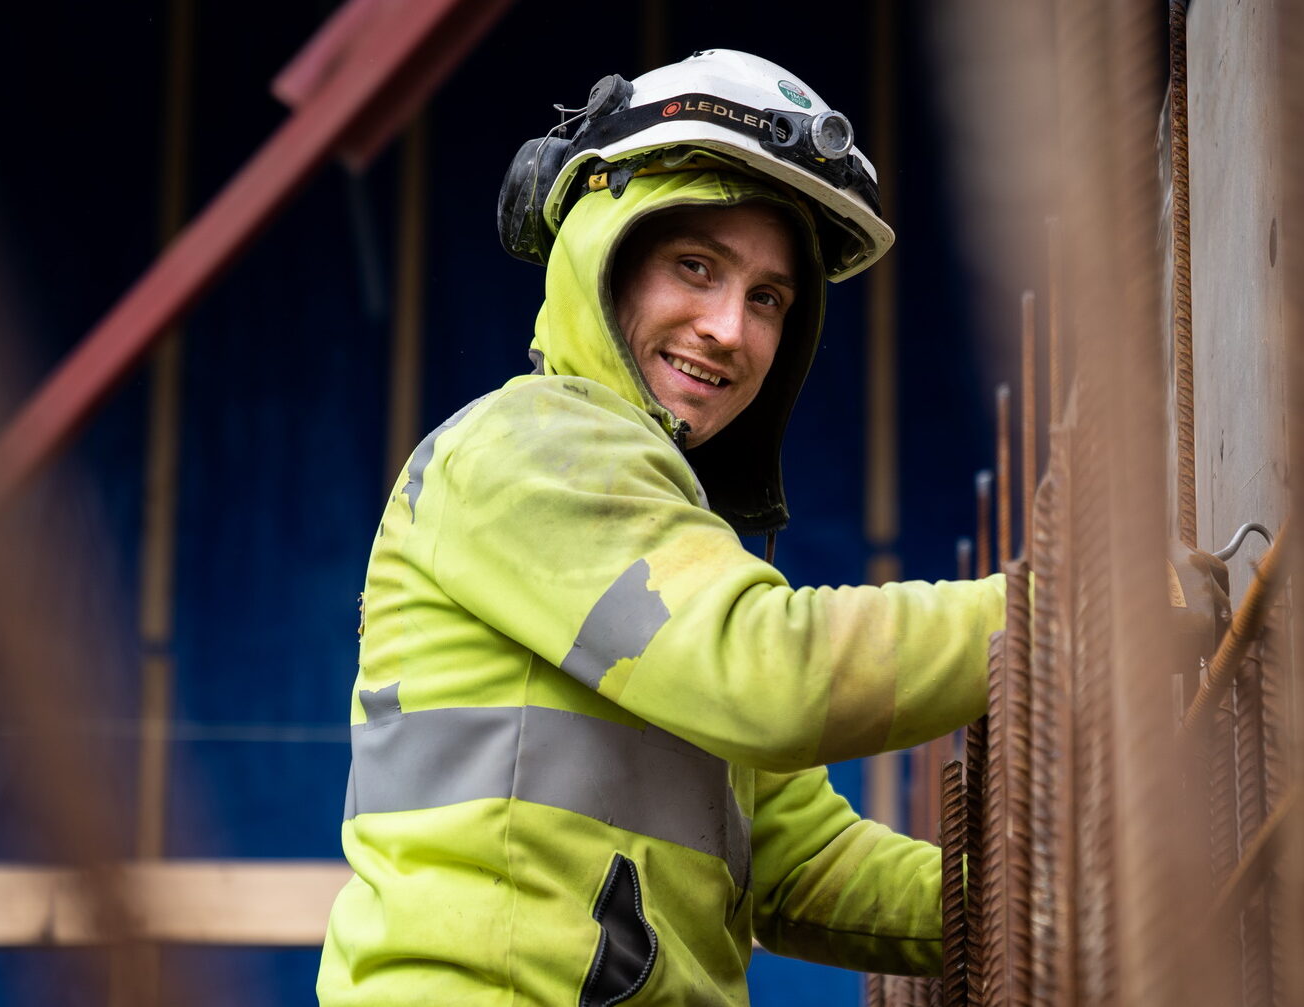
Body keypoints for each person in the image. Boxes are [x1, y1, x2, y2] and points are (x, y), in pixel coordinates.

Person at [317, 51, 1006, 1005]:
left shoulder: (666, 547)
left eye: (768, 298)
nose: (730, 327)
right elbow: (776, 677)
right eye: (696, 266)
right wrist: (1074, 613)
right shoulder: (533, 444)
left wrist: (1027, 895)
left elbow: (802, 862)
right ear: (605, 256)